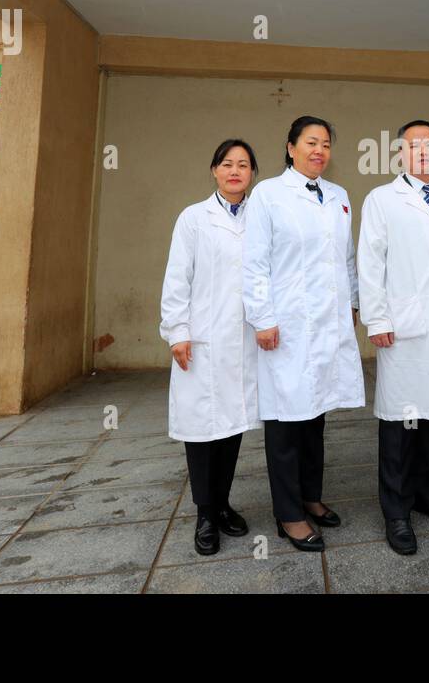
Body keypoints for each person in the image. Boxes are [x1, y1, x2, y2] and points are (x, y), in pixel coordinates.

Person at [242, 115, 365, 552]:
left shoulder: (338, 196)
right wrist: (263, 318)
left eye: (327, 144)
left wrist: (352, 303)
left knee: (316, 417)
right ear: (290, 147)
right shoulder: (268, 194)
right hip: (286, 327)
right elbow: (254, 262)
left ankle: (311, 497)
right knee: (284, 423)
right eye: (311, 142)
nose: (320, 151)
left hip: (327, 324)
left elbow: (346, 258)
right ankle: (288, 514)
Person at [358, 119, 429, 555]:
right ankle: (396, 509)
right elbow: (370, 262)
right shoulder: (382, 199)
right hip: (403, 327)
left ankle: (427, 492)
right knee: (400, 421)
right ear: (400, 153)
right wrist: (377, 319)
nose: (423, 150)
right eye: (414, 145)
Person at [159, 139, 261, 556]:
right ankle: (205, 513)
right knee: (202, 430)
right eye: (227, 164)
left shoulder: (261, 215)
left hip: (244, 339)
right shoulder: (193, 218)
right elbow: (177, 276)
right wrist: (177, 330)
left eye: (243, 165)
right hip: (201, 338)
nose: (235, 171)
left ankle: (222, 504)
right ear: (214, 170)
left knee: (233, 425)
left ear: (253, 173)